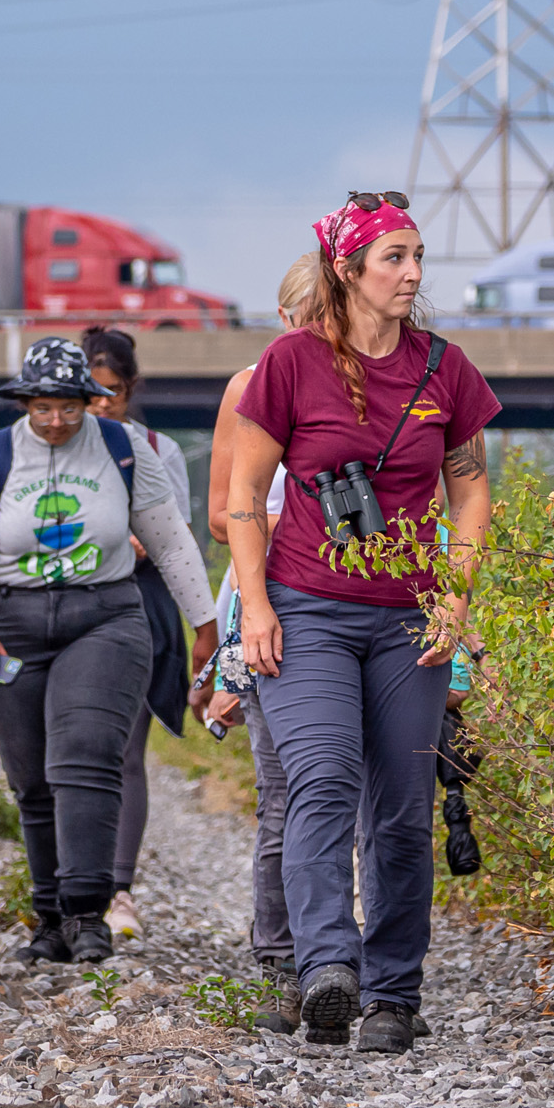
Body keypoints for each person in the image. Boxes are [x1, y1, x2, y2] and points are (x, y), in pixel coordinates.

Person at [226, 193, 499, 1055]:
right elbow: (241, 499)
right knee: (322, 780)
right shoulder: (289, 362)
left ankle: (392, 993)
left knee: (401, 810)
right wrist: (256, 606)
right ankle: (326, 971)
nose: (414, 273)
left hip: (408, 620)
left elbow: (471, 486)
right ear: (348, 271)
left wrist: (456, 596)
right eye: (396, 259)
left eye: (419, 257)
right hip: (306, 607)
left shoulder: (445, 368)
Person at [0, 337, 219, 965]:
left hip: (105, 616)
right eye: (43, 408)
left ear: (90, 401)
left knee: (88, 758)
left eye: (70, 407)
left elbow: (171, 542)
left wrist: (204, 623)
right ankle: (48, 918)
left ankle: (88, 911)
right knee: (32, 778)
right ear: (25, 403)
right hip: (12, 622)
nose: (57, 421)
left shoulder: (122, 450)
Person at [200, 255, 317, 1032]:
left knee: (360, 791)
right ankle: (278, 956)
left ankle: (345, 954)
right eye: (302, 324)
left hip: (358, 599)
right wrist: (304, 532)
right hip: (262, 591)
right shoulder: (248, 387)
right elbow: (218, 513)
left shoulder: (374, 382)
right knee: (282, 790)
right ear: (282, 322)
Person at [82, 325, 195, 942]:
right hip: (69, 604)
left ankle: (118, 889)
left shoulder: (159, 449)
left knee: (126, 751)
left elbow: (173, 534)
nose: (103, 407)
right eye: (92, 394)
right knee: (72, 751)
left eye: (114, 394)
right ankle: (73, 883)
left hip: (136, 602)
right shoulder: (53, 444)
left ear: (132, 390)